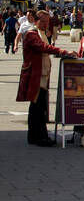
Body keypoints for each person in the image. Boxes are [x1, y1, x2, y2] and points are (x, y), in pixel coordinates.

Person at [16, 9, 66, 146]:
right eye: (42, 22)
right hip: (35, 75)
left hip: (42, 74)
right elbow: (43, 47)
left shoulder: (42, 33)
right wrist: (62, 51)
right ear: (36, 21)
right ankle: (38, 137)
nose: (45, 24)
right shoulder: (32, 34)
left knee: (39, 106)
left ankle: (36, 135)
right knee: (37, 106)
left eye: (47, 22)